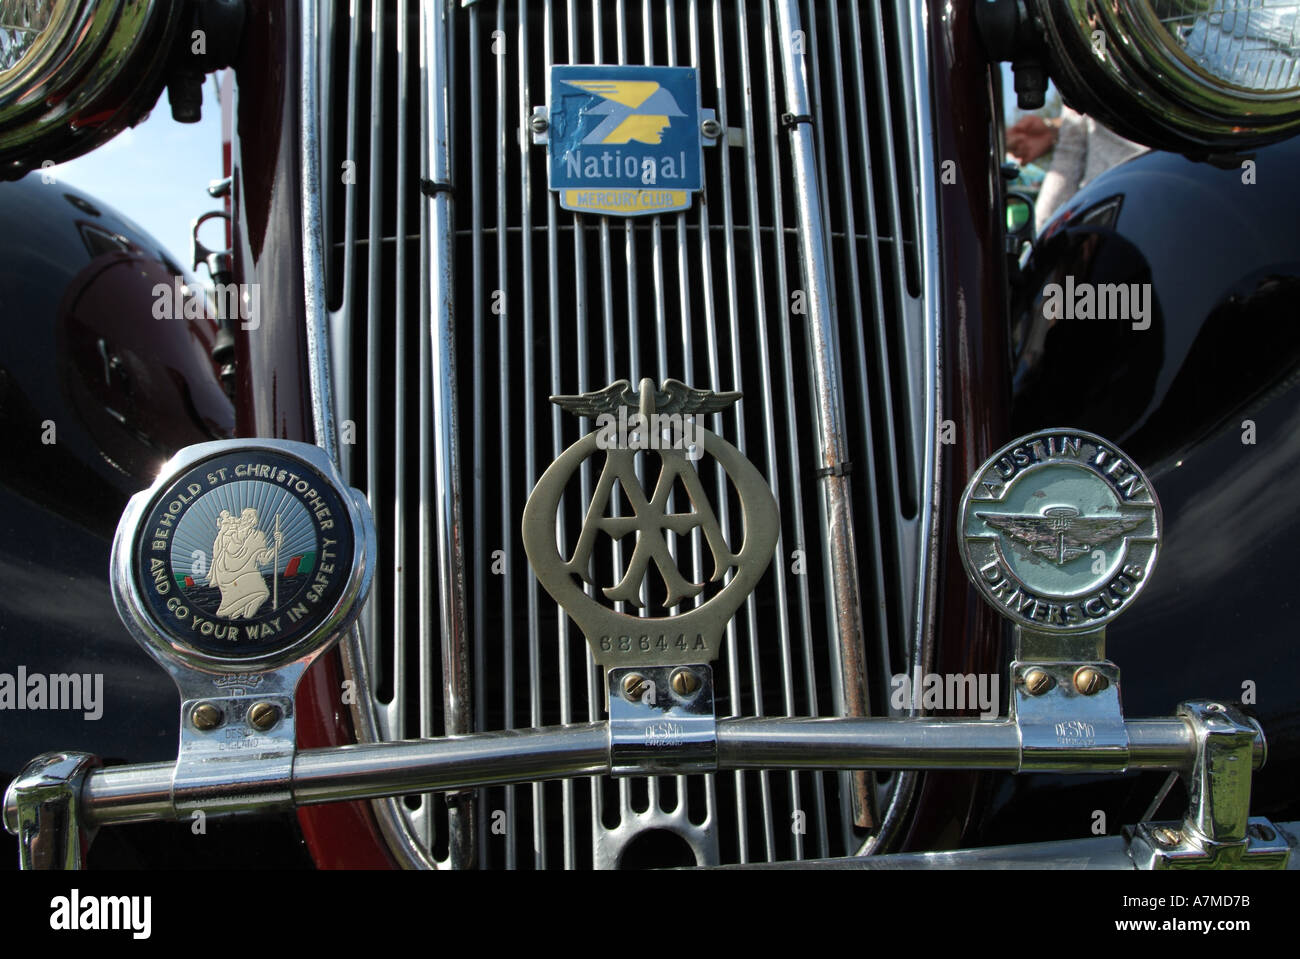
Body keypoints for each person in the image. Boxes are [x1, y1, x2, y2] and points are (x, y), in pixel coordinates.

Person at [1007, 106, 1146, 234]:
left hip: (1113, 211)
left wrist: (1038, 231)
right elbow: (1071, 147)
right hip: (1105, 214)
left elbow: (1069, 155)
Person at [208, 507, 282, 618]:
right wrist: (223, 532)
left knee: (262, 593)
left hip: (248, 570)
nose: (246, 519)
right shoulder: (230, 532)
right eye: (244, 516)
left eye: (250, 516)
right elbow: (217, 551)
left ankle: (248, 619)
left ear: (254, 520)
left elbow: (263, 559)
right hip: (227, 572)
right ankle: (241, 622)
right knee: (252, 595)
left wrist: (278, 545)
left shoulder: (258, 536)